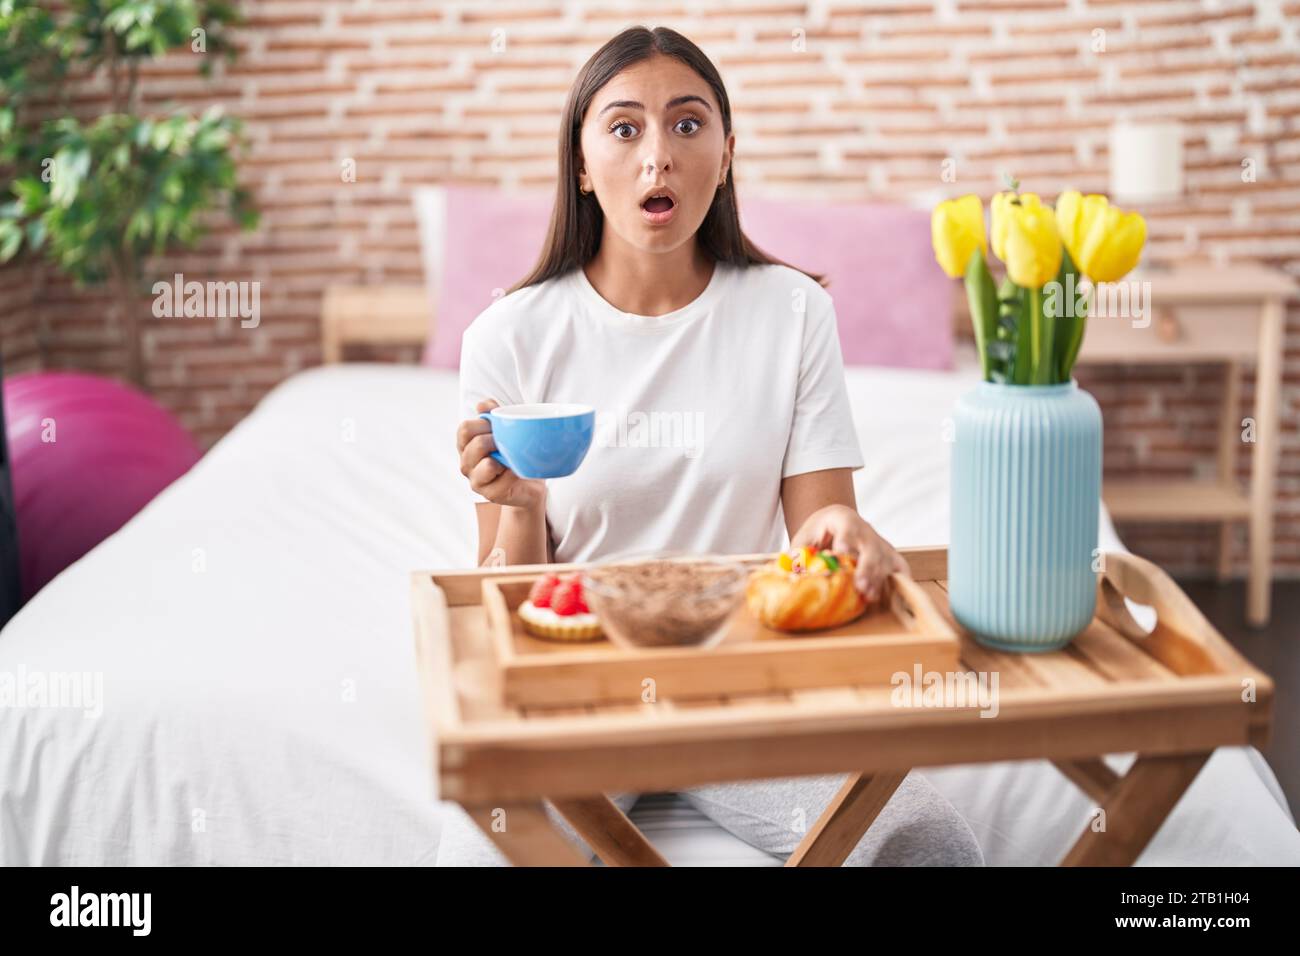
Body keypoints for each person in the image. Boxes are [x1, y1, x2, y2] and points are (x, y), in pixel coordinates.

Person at [442, 25, 983, 867]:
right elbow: (506, 599)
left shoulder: (794, 312)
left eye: (688, 125)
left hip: (745, 677)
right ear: (582, 165)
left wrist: (847, 538)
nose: (658, 155)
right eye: (624, 128)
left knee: (928, 841)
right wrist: (522, 509)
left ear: (726, 153)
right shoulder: (508, 336)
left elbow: (821, 531)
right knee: (485, 854)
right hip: (582, 691)